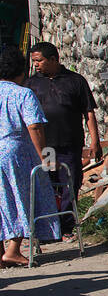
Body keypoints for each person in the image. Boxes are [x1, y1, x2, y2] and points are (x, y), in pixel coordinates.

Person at [0, 46, 60, 265]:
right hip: (14, 152)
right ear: (21, 72)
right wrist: (45, 156)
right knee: (19, 197)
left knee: (1, 200)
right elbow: (34, 127)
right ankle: (13, 249)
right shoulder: (22, 93)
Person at [27, 41, 101, 208]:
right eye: (34, 61)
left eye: (39, 61)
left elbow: (88, 112)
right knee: (48, 184)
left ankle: (67, 226)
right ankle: (53, 225)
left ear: (53, 59)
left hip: (69, 145)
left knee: (71, 183)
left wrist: (95, 141)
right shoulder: (31, 84)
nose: (36, 65)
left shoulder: (75, 81)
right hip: (45, 146)